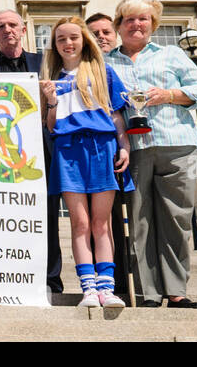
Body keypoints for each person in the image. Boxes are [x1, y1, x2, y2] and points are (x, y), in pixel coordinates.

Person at [107, 0, 197, 309]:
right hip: (134, 149)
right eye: (129, 19)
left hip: (175, 144)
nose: (136, 25)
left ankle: (176, 290)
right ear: (119, 25)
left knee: (176, 220)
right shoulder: (107, 62)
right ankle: (148, 293)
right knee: (139, 222)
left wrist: (169, 95)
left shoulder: (172, 54)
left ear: (153, 25)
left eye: (143, 19)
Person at [41, 17, 133, 308]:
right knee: (79, 223)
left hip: (101, 146)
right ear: (54, 46)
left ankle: (107, 287)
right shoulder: (51, 77)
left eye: (73, 38)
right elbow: (50, 125)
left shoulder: (101, 70)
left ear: (84, 40)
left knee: (101, 223)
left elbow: (117, 113)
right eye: (61, 39)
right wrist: (51, 101)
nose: (68, 43)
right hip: (68, 150)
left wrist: (124, 144)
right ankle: (88, 288)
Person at [0, 9, 61, 293]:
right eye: (1, 26)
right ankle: (13, 275)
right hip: (5, 154)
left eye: (12, 25)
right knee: (9, 216)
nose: (7, 30)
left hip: (43, 149)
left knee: (48, 215)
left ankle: (51, 279)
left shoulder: (45, 63)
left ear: (23, 29)